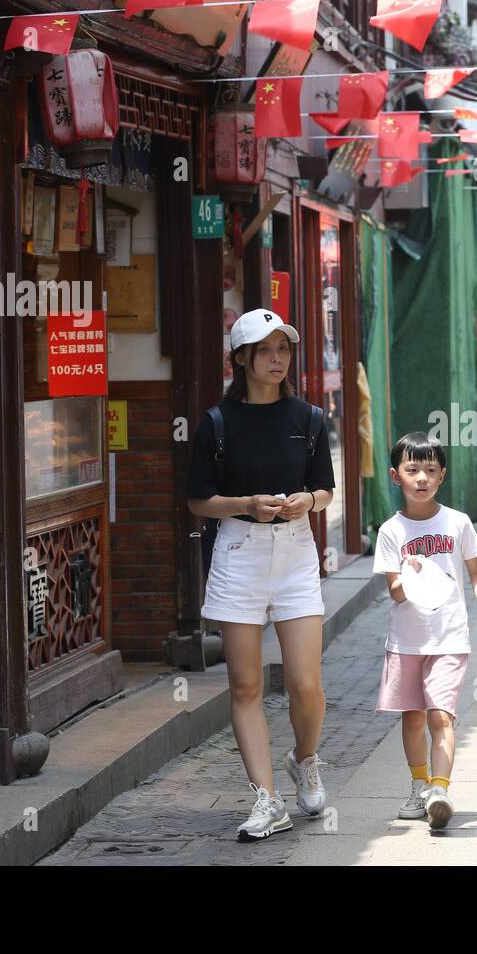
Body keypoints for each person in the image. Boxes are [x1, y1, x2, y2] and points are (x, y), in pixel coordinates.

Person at [187, 309, 335, 841]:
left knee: (306, 683)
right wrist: (246, 503)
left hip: (296, 554)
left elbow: (325, 488)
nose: (278, 359)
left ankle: (305, 757)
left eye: (284, 349)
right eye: (266, 350)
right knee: (245, 684)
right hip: (238, 553)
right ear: (242, 359)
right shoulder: (217, 423)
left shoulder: (310, 419)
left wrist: (308, 502)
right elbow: (199, 502)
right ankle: (266, 799)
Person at [372, 433, 477, 828]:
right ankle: (420, 786)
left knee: (441, 717)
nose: (421, 478)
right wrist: (412, 575)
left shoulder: (457, 522)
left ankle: (441, 791)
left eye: (430, 470)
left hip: (449, 637)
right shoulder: (390, 532)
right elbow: (396, 595)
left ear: (442, 475)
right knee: (413, 717)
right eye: (412, 469)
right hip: (406, 641)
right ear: (395, 475)